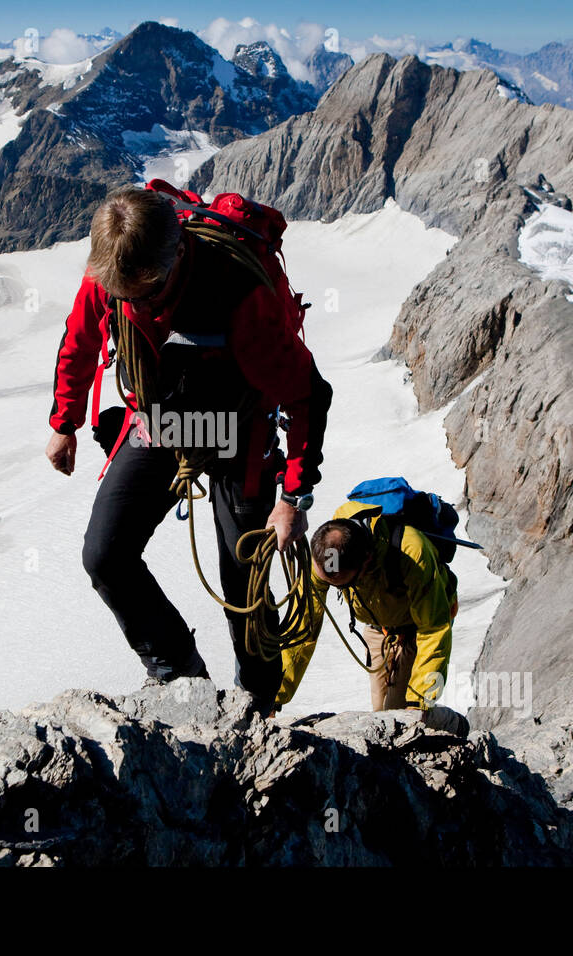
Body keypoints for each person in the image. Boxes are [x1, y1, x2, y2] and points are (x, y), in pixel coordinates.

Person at [44, 183, 333, 716]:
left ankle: (260, 707)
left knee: (241, 582)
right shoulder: (114, 276)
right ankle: (179, 673)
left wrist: (293, 498)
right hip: (159, 420)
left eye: (145, 292)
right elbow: (81, 338)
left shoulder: (237, 294)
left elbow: (307, 394)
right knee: (105, 556)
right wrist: (65, 422)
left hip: (236, 434)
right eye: (122, 293)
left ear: (177, 255)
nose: (132, 302)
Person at [276, 498, 470, 736]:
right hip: (379, 627)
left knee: (402, 717)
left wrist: (418, 700)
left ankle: (452, 724)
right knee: (381, 716)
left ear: (366, 561)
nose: (333, 587)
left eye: (344, 584)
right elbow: (305, 625)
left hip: (418, 629)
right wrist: (276, 694)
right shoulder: (327, 553)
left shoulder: (412, 551)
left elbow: (434, 629)